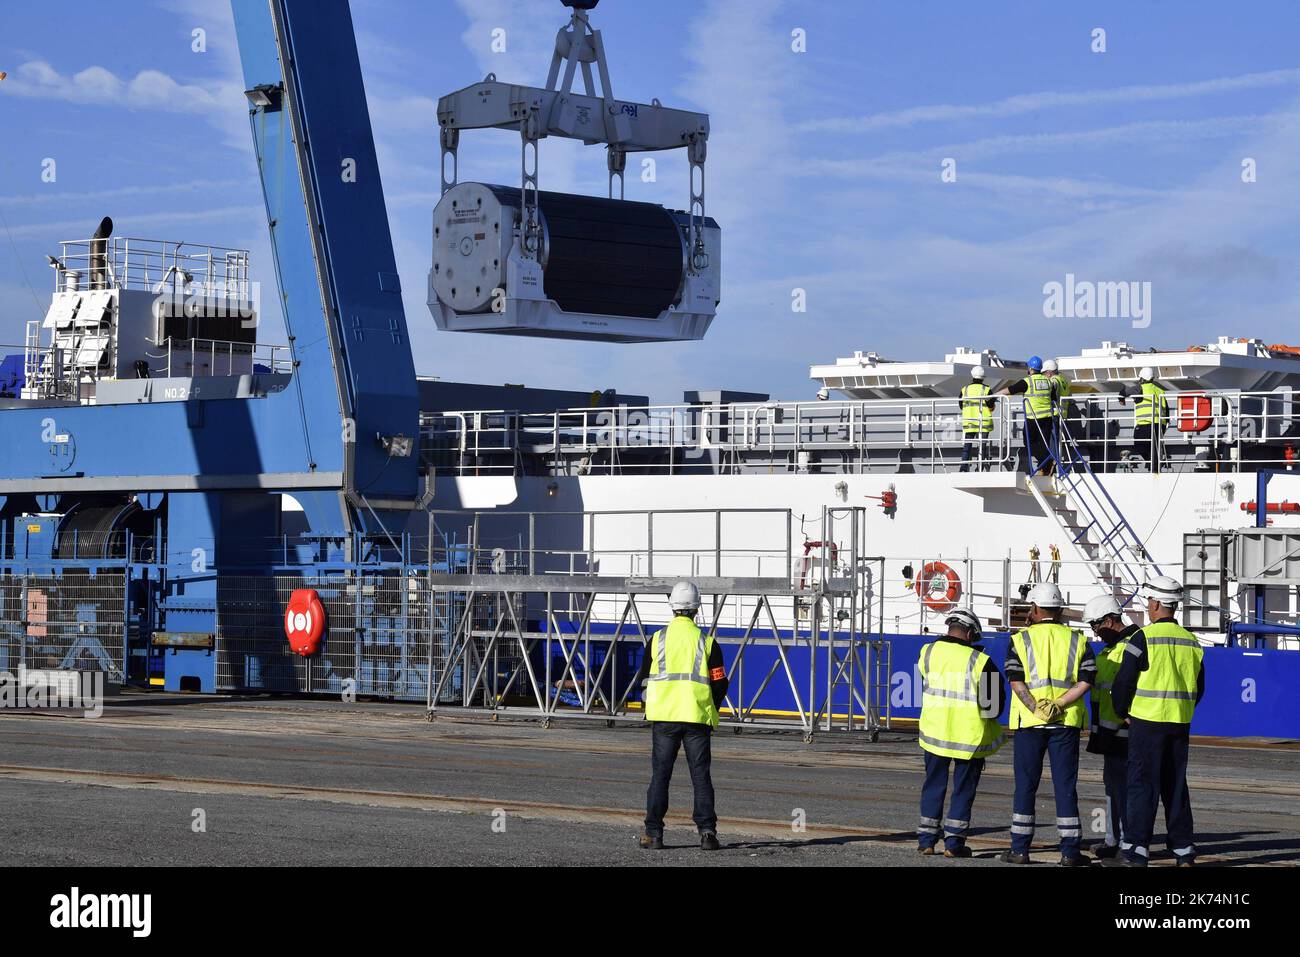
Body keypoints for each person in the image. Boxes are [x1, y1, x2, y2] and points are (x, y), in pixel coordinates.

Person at [1102, 576, 1205, 867]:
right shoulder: (1192, 641)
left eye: (1149, 601)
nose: (1148, 606)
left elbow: (1123, 683)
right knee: (1175, 787)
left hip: (1146, 723)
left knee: (1142, 786)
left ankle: (1136, 851)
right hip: (1179, 723)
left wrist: (1124, 712)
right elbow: (1199, 687)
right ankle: (1184, 852)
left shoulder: (1142, 638)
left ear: (1157, 603)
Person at [1000, 582, 1096, 866]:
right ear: (1059, 609)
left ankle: (1020, 849)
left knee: (1025, 786)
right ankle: (1069, 852)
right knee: (1065, 786)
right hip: (1064, 722)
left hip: (1030, 723)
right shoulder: (1078, 640)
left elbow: (1015, 680)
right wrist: (1058, 705)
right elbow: (1086, 681)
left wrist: (1035, 707)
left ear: (1035, 608)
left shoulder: (1020, 640)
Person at [638, 580, 730, 851]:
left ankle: (653, 834)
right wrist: (710, 705)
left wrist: (652, 704)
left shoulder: (657, 640)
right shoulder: (708, 642)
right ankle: (707, 833)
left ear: (672, 607)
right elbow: (720, 681)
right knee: (700, 776)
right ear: (696, 608)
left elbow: (644, 679)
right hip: (696, 718)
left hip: (664, 718)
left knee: (660, 776)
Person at [916, 608, 1006, 858]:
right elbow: (993, 706)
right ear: (969, 633)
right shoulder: (980, 661)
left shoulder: (928, 652)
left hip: (934, 734)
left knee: (933, 785)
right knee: (963, 790)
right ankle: (954, 844)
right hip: (969, 738)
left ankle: (926, 841)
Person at [1083, 593, 1140, 860]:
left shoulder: (1134, 645)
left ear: (1109, 620)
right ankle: (1113, 840)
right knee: (1112, 788)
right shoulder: (1109, 649)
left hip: (1127, 734)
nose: (1095, 632)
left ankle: (1130, 842)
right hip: (1109, 733)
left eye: (1095, 625)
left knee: (1126, 789)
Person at [996, 356, 1057, 475]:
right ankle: (1045, 466)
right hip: (1047, 417)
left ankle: (1047, 462)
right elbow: (1053, 397)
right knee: (1043, 443)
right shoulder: (1048, 382)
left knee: (1028, 442)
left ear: (1030, 368)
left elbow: (1010, 390)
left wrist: (995, 395)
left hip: (1033, 418)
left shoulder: (1027, 381)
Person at [959, 366, 996, 472]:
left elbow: (961, 405)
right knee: (982, 446)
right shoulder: (986, 389)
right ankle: (979, 467)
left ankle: (963, 467)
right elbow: (991, 405)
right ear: (983, 377)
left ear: (972, 376)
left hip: (969, 421)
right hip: (983, 423)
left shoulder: (964, 389)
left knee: (967, 446)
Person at [1131, 366, 1167, 473]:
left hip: (1145, 423)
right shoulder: (1160, 390)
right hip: (1159, 424)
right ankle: (1155, 465)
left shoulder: (1139, 388)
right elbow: (1166, 407)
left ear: (1141, 378)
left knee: (1139, 444)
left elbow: (1125, 392)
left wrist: (1121, 398)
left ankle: (1152, 463)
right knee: (1154, 447)